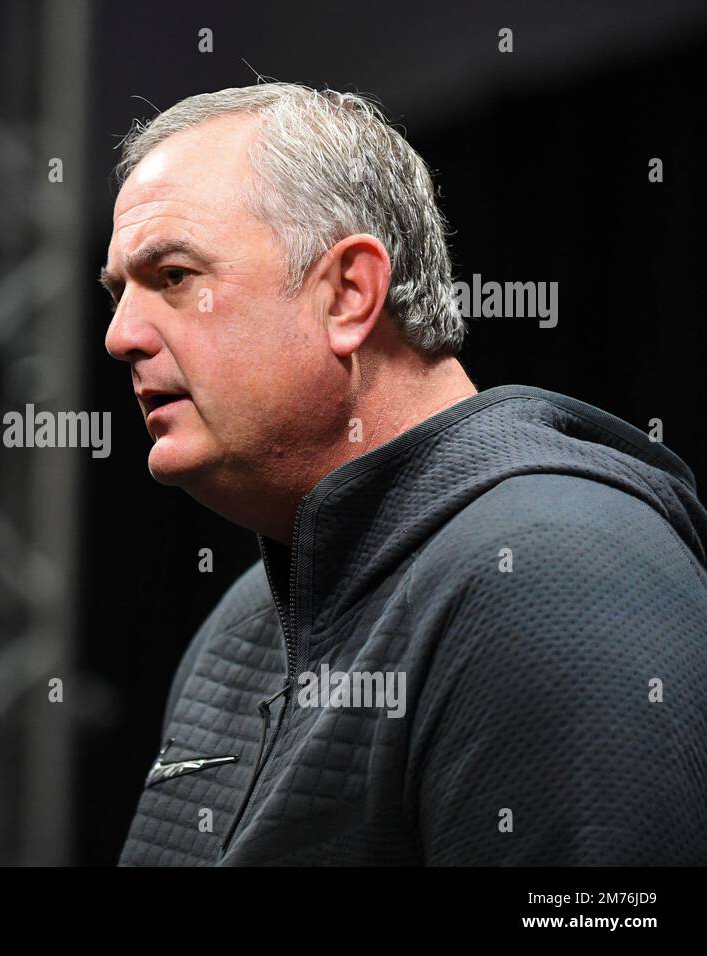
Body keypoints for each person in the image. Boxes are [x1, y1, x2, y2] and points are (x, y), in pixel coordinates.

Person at [102, 82, 707, 865]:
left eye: (174, 277)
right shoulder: (241, 622)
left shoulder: (558, 567)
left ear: (349, 294)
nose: (120, 337)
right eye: (118, 294)